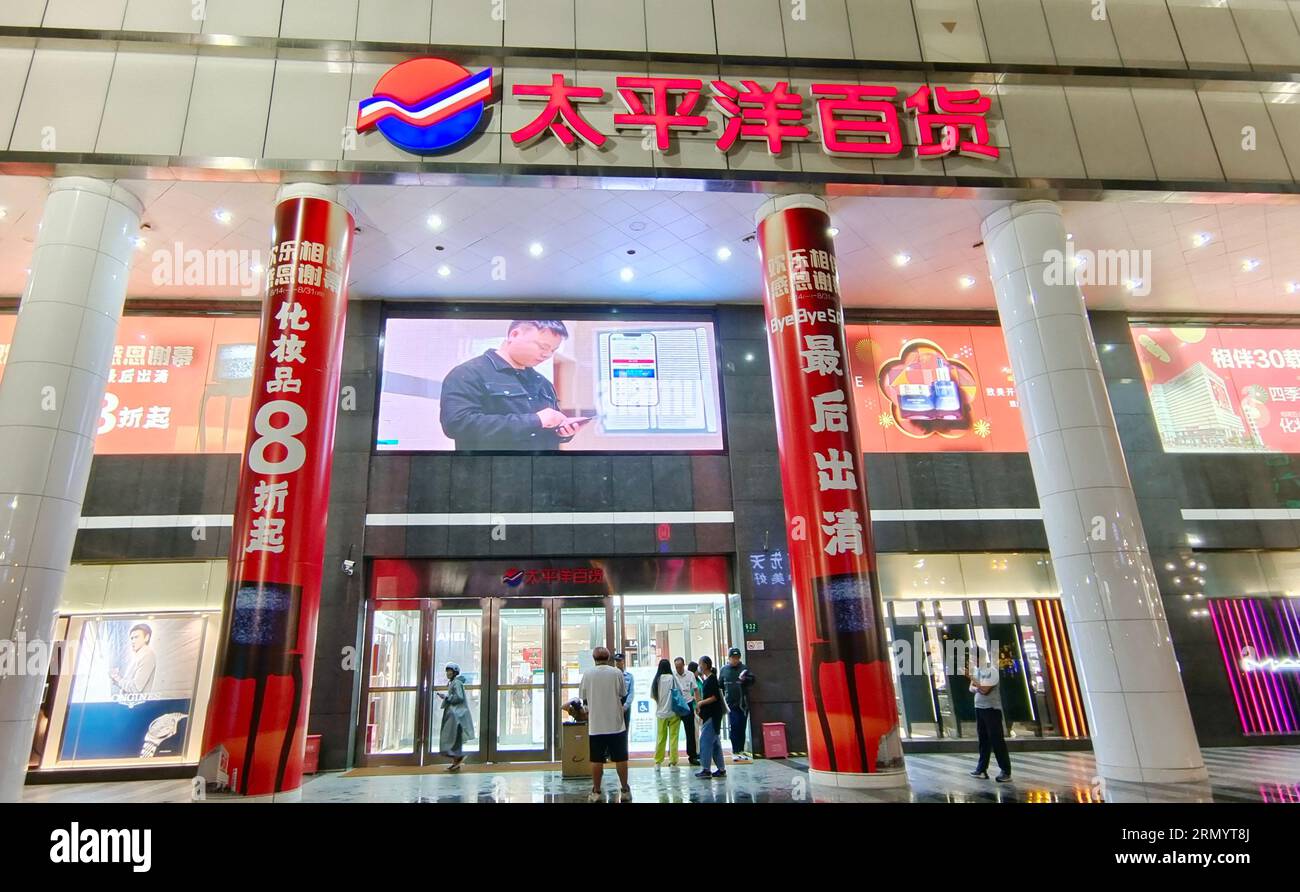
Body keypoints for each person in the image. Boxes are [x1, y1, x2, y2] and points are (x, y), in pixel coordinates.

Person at [439, 320, 589, 450]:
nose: (547, 355)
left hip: (542, 473)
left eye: (553, 350)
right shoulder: (469, 373)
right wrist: (536, 420)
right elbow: (457, 425)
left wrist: (562, 431)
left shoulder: (543, 383)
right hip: (490, 473)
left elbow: (545, 429)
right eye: (543, 347)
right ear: (514, 335)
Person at [579, 646, 631, 802]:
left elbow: (583, 696)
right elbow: (622, 693)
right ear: (608, 658)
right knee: (621, 758)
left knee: (596, 760)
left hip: (596, 725)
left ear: (594, 659)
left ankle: (596, 791)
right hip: (616, 723)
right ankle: (624, 790)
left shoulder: (588, 674)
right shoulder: (616, 673)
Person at [968, 648, 1012, 783]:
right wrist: (976, 686)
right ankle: (981, 769)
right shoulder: (977, 671)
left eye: (972, 658)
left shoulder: (991, 671)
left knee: (996, 740)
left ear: (979, 657)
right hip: (979, 708)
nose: (971, 661)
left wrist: (974, 682)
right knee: (983, 740)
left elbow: (985, 690)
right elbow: (972, 688)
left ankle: (1005, 771)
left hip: (991, 709)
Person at [718, 647, 754, 761]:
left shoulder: (744, 669)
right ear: (729, 658)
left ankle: (740, 750)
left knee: (742, 727)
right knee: (734, 726)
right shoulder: (724, 670)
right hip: (730, 704)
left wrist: (745, 679)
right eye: (733, 657)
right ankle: (735, 750)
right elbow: (720, 686)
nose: (735, 660)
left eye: (737, 658)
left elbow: (752, 680)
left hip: (743, 704)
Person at [437, 662, 474, 771]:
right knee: (454, 738)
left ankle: (457, 757)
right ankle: (456, 760)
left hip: (455, 715)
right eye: (447, 671)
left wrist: (447, 697)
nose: (448, 673)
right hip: (455, 714)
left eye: (449, 671)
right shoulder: (454, 683)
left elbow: (459, 697)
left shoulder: (456, 683)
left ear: (455, 672)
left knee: (451, 737)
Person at [694, 656, 726, 779]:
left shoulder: (711, 680)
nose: (699, 666)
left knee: (705, 742)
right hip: (713, 715)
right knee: (715, 743)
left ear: (705, 665)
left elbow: (714, 697)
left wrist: (701, 703)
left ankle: (706, 769)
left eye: (700, 663)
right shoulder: (709, 679)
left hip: (712, 716)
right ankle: (721, 769)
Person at [110, 623, 157, 698]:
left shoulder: (147, 655)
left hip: (137, 705)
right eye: (132, 638)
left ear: (146, 637)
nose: (133, 641)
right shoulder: (139, 655)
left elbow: (135, 688)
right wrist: (117, 680)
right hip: (131, 704)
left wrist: (118, 680)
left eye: (136, 637)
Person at [651, 658, 681, 768]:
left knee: (660, 737)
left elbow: (653, 695)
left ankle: (658, 761)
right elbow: (679, 691)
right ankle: (673, 761)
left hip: (661, 713)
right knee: (674, 737)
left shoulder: (656, 680)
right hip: (673, 712)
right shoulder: (672, 678)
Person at [673, 657, 699, 766]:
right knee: (674, 732)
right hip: (677, 705)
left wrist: (697, 704)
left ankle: (692, 756)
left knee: (690, 732)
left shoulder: (690, 675)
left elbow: (696, 689)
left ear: (684, 665)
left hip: (688, 704)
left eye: (679, 667)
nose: (678, 669)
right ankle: (673, 757)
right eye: (676, 667)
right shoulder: (673, 675)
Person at [614, 652, 634, 739]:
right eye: (616, 662)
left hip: (625, 704)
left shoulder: (629, 676)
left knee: (625, 730)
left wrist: (625, 706)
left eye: (619, 661)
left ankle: (624, 751)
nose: (618, 663)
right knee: (615, 730)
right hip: (615, 704)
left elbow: (631, 692)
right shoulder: (612, 675)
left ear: (623, 662)